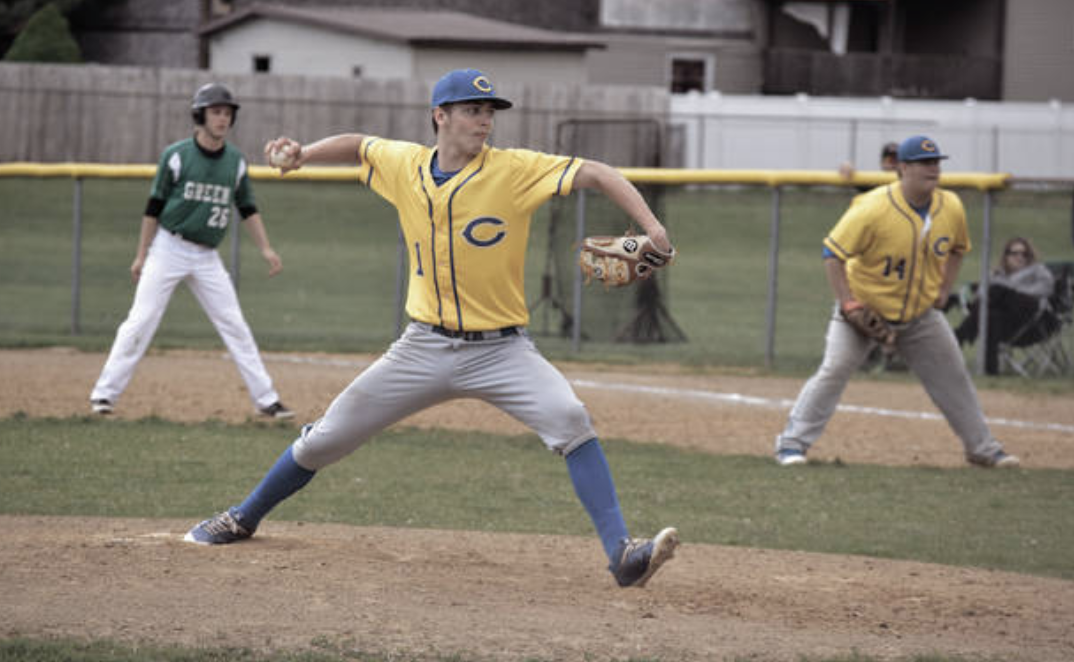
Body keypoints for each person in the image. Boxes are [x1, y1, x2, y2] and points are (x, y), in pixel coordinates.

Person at [183, 69, 680, 588]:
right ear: (440, 116)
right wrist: (303, 154)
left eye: (489, 112)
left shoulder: (514, 170)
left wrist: (654, 230)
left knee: (571, 419)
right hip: (422, 347)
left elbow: (598, 173)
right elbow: (359, 146)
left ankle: (623, 554)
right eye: (472, 110)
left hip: (502, 351)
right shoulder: (407, 165)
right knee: (324, 440)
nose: (484, 121)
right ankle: (242, 517)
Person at [773, 135, 1020, 468]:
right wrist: (848, 303)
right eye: (924, 163)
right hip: (864, 310)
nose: (933, 169)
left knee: (953, 377)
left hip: (919, 316)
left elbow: (958, 249)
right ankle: (791, 445)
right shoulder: (873, 208)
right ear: (903, 168)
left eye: (936, 163)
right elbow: (832, 253)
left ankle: (983, 449)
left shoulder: (950, 206)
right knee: (835, 369)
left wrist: (944, 288)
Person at [89, 83, 293, 419]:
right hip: (168, 248)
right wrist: (141, 254)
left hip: (207, 257)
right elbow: (153, 207)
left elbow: (247, 208)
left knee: (235, 325)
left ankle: (267, 400)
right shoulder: (177, 155)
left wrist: (266, 249)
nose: (222, 118)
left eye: (227, 113)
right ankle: (104, 395)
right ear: (199, 116)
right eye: (216, 112)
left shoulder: (235, 161)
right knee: (141, 320)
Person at [952, 236, 1056, 375]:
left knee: (998, 289)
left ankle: (960, 333)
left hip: (1029, 321)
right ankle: (990, 370)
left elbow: (1046, 289)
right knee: (991, 317)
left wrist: (1012, 289)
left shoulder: (1038, 270)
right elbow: (982, 294)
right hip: (1005, 324)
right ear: (1006, 256)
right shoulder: (997, 273)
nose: (1020, 257)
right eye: (1015, 253)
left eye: (1024, 253)